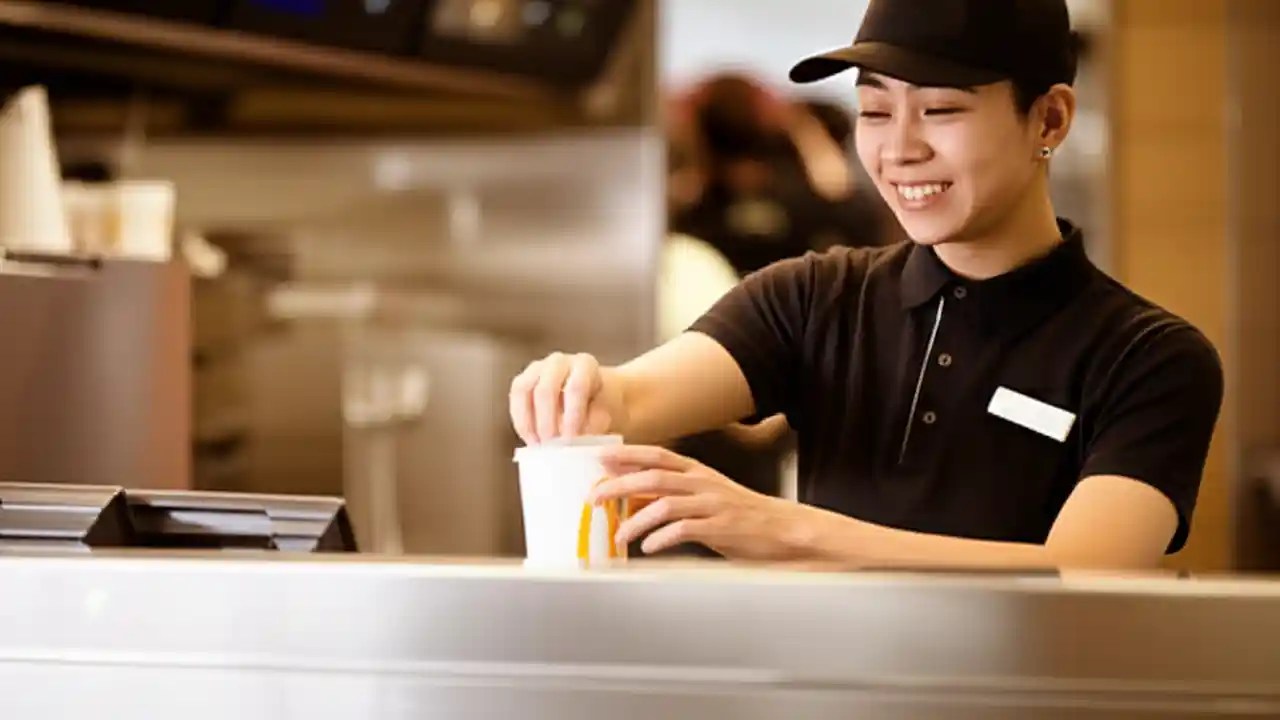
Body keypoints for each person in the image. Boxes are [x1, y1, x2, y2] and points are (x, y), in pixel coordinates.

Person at [509, 0, 1224, 571]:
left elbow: (1084, 575)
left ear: (1050, 117)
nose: (900, 149)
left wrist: (789, 533)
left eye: (941, 110)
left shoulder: (1150, 358)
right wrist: (582, 391)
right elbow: (634, 396)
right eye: (876, 112)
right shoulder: (815, 298)